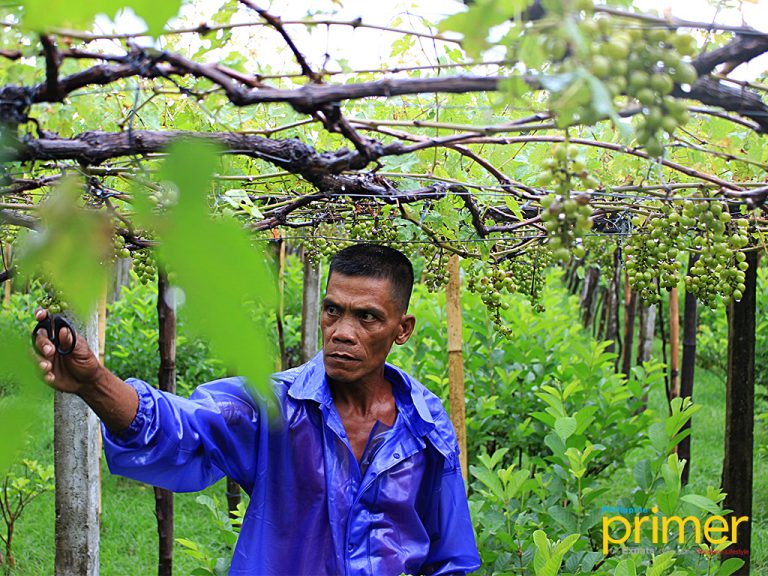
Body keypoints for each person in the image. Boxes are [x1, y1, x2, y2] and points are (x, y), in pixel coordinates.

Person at [34, 243, 480, 575]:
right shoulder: (274, 408)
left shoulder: (424, 423)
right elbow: (179, 425)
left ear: (402, 329)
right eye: (332, 311)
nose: (342, 332)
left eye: (367, 317)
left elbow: (449, 555)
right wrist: (95, 383)